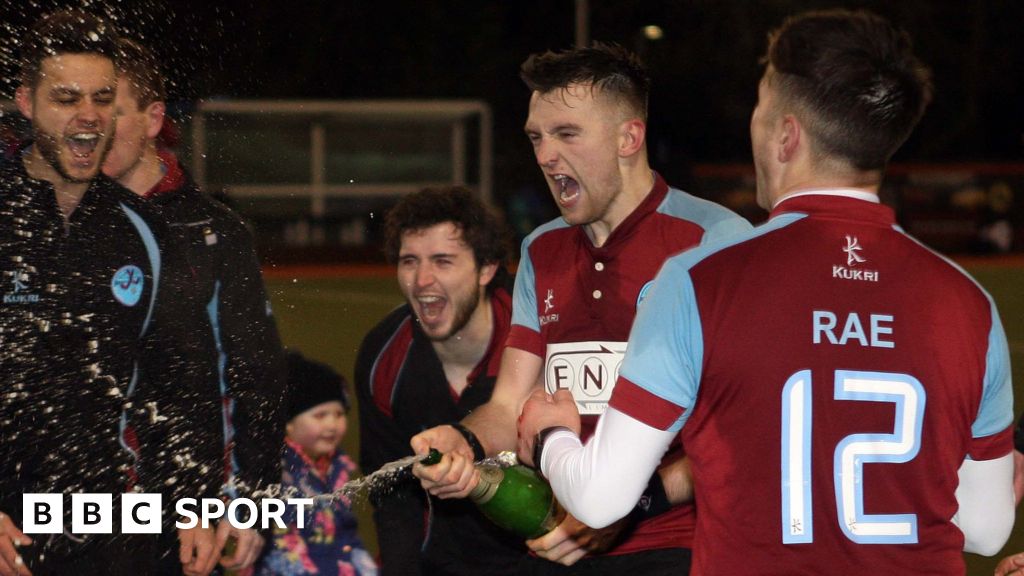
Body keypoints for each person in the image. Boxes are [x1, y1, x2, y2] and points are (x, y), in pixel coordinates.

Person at [518, 10, 1015, 575]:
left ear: (786, 135)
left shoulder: (700, 280)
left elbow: (599, 497)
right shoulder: (969, 304)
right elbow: (986, 527)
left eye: (759, 106)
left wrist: (551, 434)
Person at [411, 44, 750, 574]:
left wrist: (627, 506)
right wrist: (465, 441)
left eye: (567, 134)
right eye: (536, 137)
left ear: (628, 138)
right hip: (560, 536)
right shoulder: (540, 250)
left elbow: (745, 428)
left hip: (684, 542)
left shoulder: (715, 240)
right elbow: (509, 405)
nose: (546, 155)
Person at [0, 10, 224, 576]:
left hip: (117, 529)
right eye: (66, 98)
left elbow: (182, 383)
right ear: (26, 103)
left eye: (102, 98)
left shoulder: (144, 232)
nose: (89, 116)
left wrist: (194, 499)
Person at [101, 37, 288, 573]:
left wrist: (252, 504)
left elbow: (257, 376)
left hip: (185, 520)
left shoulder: (215, 231)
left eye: (112, 110)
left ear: (154, 118)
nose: (93, 126)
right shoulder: (58, 223)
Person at [354, 186, 527, 575]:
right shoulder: (384, 358)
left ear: (486, 268)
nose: (422, 280)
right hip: (443, 564)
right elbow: (392, 496)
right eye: (409, 261)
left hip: (547, 557)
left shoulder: (535, 334)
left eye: (443, 261)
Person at [256, 352, 377, 576]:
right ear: (288, 423)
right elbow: (283, 548)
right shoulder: (276, 473)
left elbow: (347, 534)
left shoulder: (336, 469)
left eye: (339, 414)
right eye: (320, 415)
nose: (332, 424)